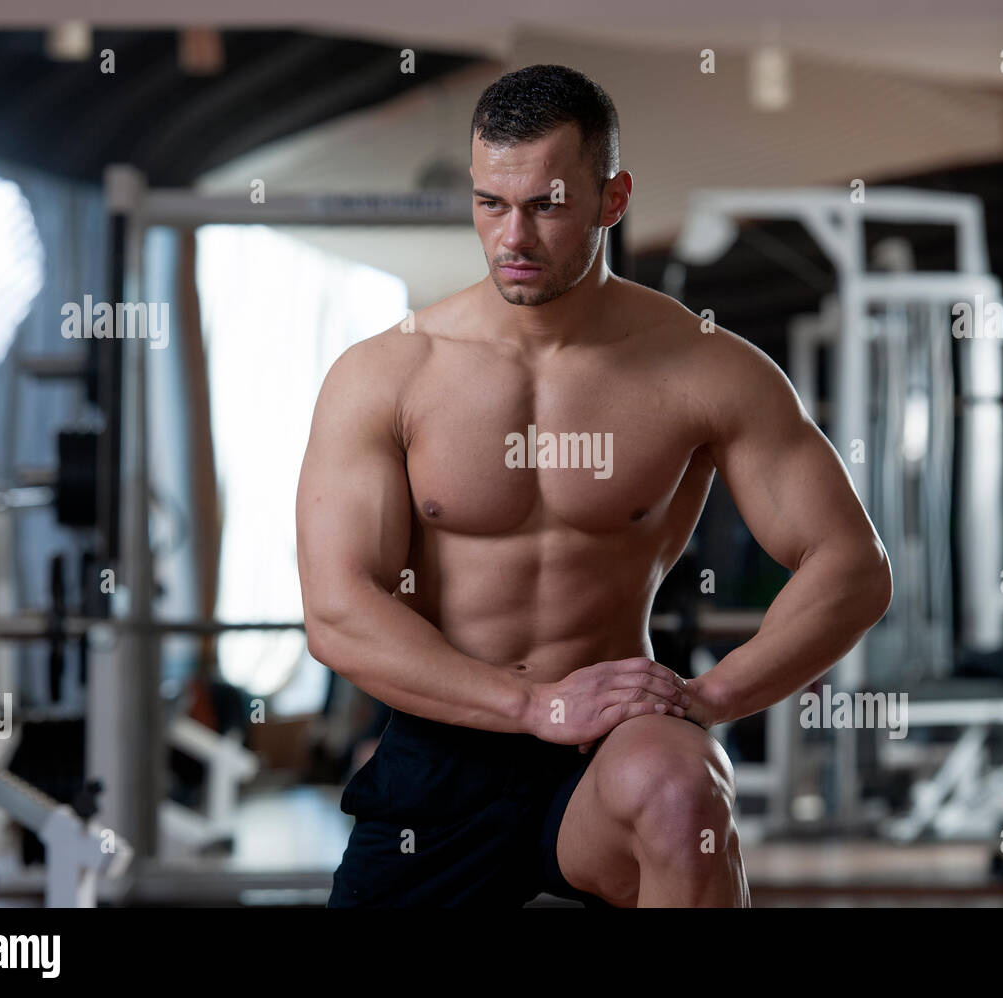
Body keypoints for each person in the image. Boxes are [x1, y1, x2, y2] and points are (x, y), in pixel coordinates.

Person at [297, 64, 892, 908]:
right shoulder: (388, 374)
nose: (514, 238)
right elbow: (336, 611)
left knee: (684, 794)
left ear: (612, 200)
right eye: (490, 204)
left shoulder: (704, 366)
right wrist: (533, 705)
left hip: (613, 742)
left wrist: (710, 697)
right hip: (445, 744)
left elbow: (852, 566)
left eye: (546, 204)